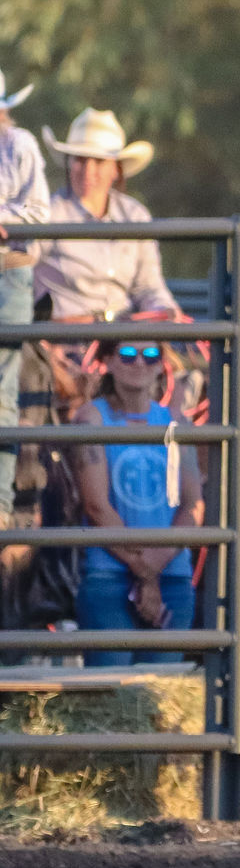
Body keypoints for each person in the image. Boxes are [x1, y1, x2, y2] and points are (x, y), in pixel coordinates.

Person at [69, 332, 203, 666]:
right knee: (109, 697)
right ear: (109, 361)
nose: (139, 362)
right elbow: (96, 505)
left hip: (170, 578)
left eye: (150, 354)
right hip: (110, 576)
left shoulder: (174, 423)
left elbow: (192, 505)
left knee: (163, 702)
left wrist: (151, 571)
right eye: (127, 353)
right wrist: (148, 572)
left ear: (162, 365)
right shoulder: (91, 418)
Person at [35, 109, 179, 324]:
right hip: (64, 341)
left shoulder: (135, 215)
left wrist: (165, 311)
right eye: (80, 160)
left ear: (115, 169)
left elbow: (148, 286)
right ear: (69, 163)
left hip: (123, 339)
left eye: (99, 161)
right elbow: (20, 279)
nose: (88, 170)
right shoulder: (48, 215)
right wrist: (43, 339)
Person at [0, 71, 49, 527]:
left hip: (9, 272)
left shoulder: (19, 145)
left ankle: (0, 502)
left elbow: (37, 211)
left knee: (4, 385)